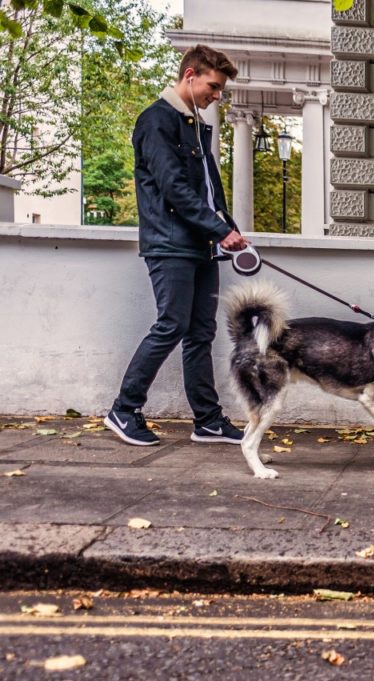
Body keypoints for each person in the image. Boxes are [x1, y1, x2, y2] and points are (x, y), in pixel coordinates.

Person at [104, 45, 248, 447]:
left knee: (201, 331)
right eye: (213, 86)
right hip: (170, 245)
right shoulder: (156, 122)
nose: (217, 95)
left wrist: (228, 229)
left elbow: (207, 191)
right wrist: (218, 231)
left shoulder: (194, 126)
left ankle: (207, 420)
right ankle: (124, 409)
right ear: (190, 75)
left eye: (220, 89)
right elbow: (174, 189)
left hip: (201, 244)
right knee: (172, 325)